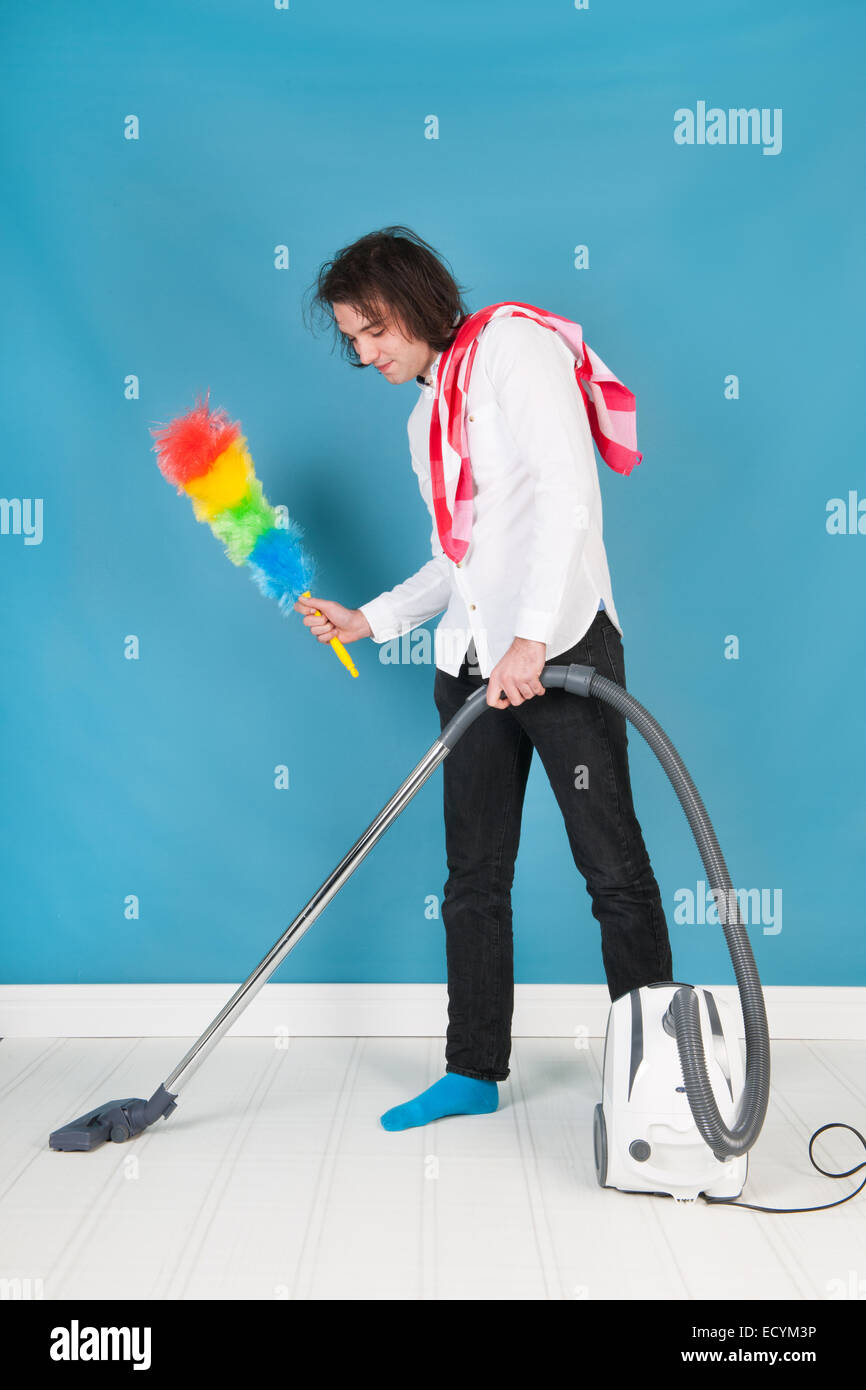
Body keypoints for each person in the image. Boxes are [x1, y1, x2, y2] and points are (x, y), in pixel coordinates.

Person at [298, 226, 673, 1130]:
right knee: (473, 876)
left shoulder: (513, 347)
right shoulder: (425, 417)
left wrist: (532, 642)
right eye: (353, 339)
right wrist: (373, 619)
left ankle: (657, 1076)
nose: (367, 352)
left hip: (564, 654)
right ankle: (473, 1070)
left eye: (374, 330)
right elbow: (455, 562)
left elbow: (567, 497)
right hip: (471, 668)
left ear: (416, 301)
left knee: (612, 871)